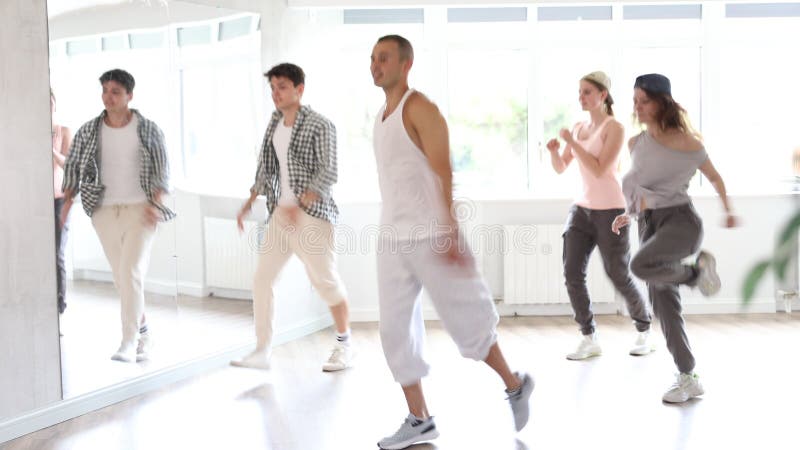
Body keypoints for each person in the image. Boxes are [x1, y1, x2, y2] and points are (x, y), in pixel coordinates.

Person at [370, 35, 534, 449]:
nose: (375, 65)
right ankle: (419, 419)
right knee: (394, 332)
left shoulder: (420, 108)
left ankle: (515, 385)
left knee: (470, 325)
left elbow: (444, 170)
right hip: (392, 238)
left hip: (431, 235)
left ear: (406, 64)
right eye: (372, 58)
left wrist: (451, 230)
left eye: (384, 58)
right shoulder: (381, 116)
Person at [611, 73, 737, 403]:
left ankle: (697, 273)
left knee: (639, 265)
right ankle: (688, 376)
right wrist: (629, 214)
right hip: (649, 225)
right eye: (635, 101)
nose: (637, 107)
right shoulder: (635, 143)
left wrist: (728, 210)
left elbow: (715, 177)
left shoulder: (688, 143)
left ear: (662, 102)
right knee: (663, 305)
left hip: (681, 223)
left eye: (644, 101)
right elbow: (644, 188)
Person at [233, 63, 354, 372]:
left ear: (300, 89)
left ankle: (344, 346)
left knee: (325, 282)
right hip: (279, 215)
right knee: (262, 280)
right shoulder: (275, 121)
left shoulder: (320, 124)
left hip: (312, 217)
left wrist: (300, 203)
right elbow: (266, 166)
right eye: (273, 88)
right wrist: (249, 202)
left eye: (282, 87)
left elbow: (329, 171)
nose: (276, 94)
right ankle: (262, 350)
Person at [60, 68, 174, 363]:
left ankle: (128, 341)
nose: (108, 97)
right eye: (105, 91)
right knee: (121, 277)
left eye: (115, 92)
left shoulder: (147, 129)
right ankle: (145, 333)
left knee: (131, 271)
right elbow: (73, 166)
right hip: (104, 211)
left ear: (129, 96)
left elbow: (162, 170)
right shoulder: (89, 130)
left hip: (141, 210)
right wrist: (67, 202)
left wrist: (156, 203)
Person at [546, 71, 653, 361]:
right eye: (579, 92)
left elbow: (599, 169)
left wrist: (572, 142)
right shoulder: (578, 127)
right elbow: (561, 167)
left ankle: (644, 329)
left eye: (587, 92)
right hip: (581, 209)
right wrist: (556, 151)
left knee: (617, 273)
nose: (581, 97)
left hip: (611, 210)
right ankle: (589, 337)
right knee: (572, 274)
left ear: (603, 95)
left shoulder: (614, 128)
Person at [51, 89, 72, 315]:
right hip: (37, 202)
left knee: (58, 253)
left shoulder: (63, 131)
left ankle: (60, 304)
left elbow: (68, 164)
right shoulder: (32, 133)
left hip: (59, 200)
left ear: (55, 105)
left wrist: (51, 150)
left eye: (50, 103)